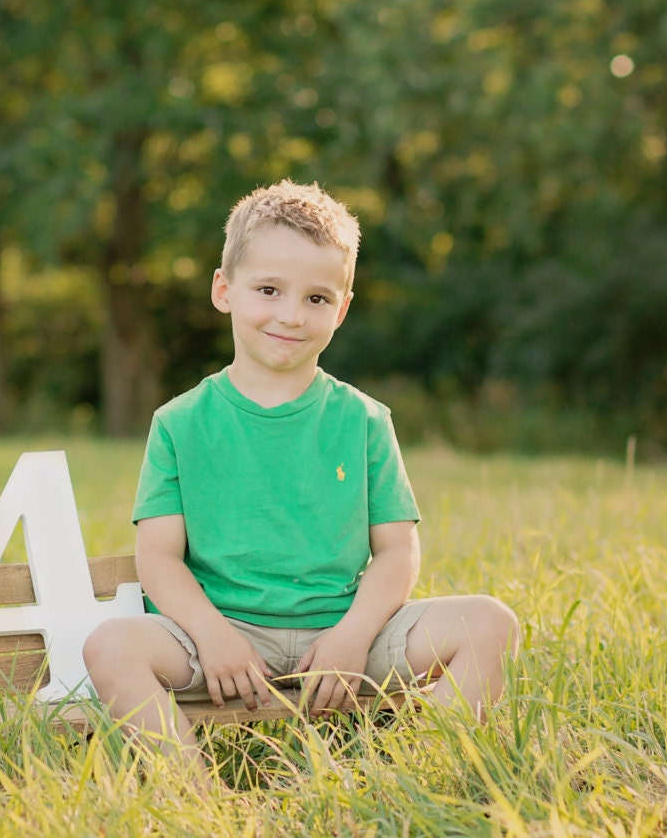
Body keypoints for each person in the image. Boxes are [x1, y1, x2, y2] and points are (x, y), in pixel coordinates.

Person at [82, 179, 519, 764]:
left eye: (316, 299)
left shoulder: (363, 419)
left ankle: (404, 784)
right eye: (268, 289)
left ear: (341, 309)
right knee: (110, 647)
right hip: (220, 634)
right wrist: (213, 636)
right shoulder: (180, 423)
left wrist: (354, 634)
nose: (291, 315)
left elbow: (395, 551)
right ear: (224, 289)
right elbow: (159, 556)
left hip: (342, 630)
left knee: (490, 624)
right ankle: (193, 796)